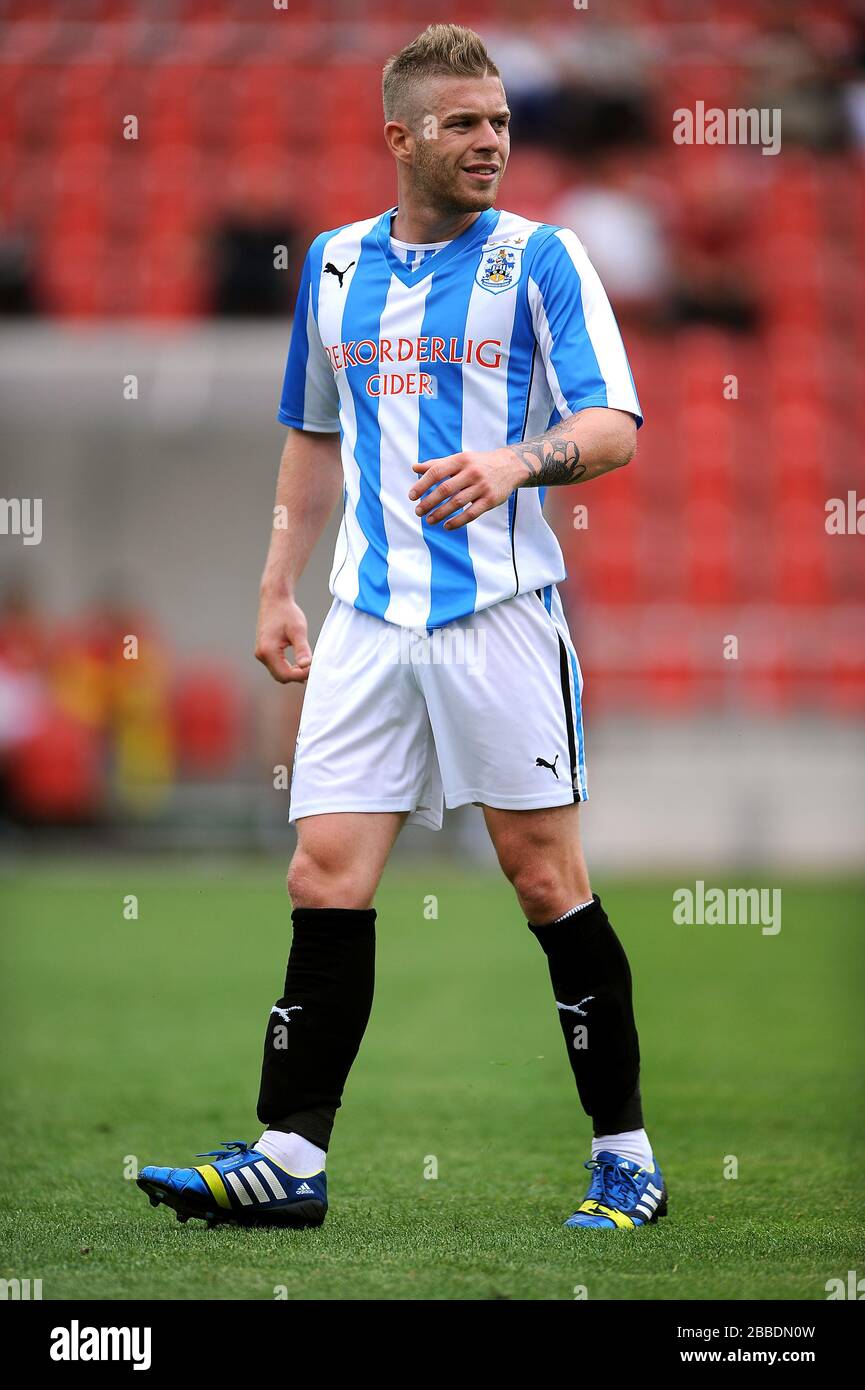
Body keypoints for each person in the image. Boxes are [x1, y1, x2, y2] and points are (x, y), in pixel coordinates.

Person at [138, 23, 667, 1234]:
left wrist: (513, 461)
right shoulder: (331, 267)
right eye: (465, 123)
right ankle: (290, 1156)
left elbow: (614, 425)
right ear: (402, 135)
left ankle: (626, 1155)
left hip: (500, 615)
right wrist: (278, 583)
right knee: (324, 875)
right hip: (368, 621)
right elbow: (313, 440)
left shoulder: (542, 260)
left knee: (545, 880)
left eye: (501, 122)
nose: (492, 142)